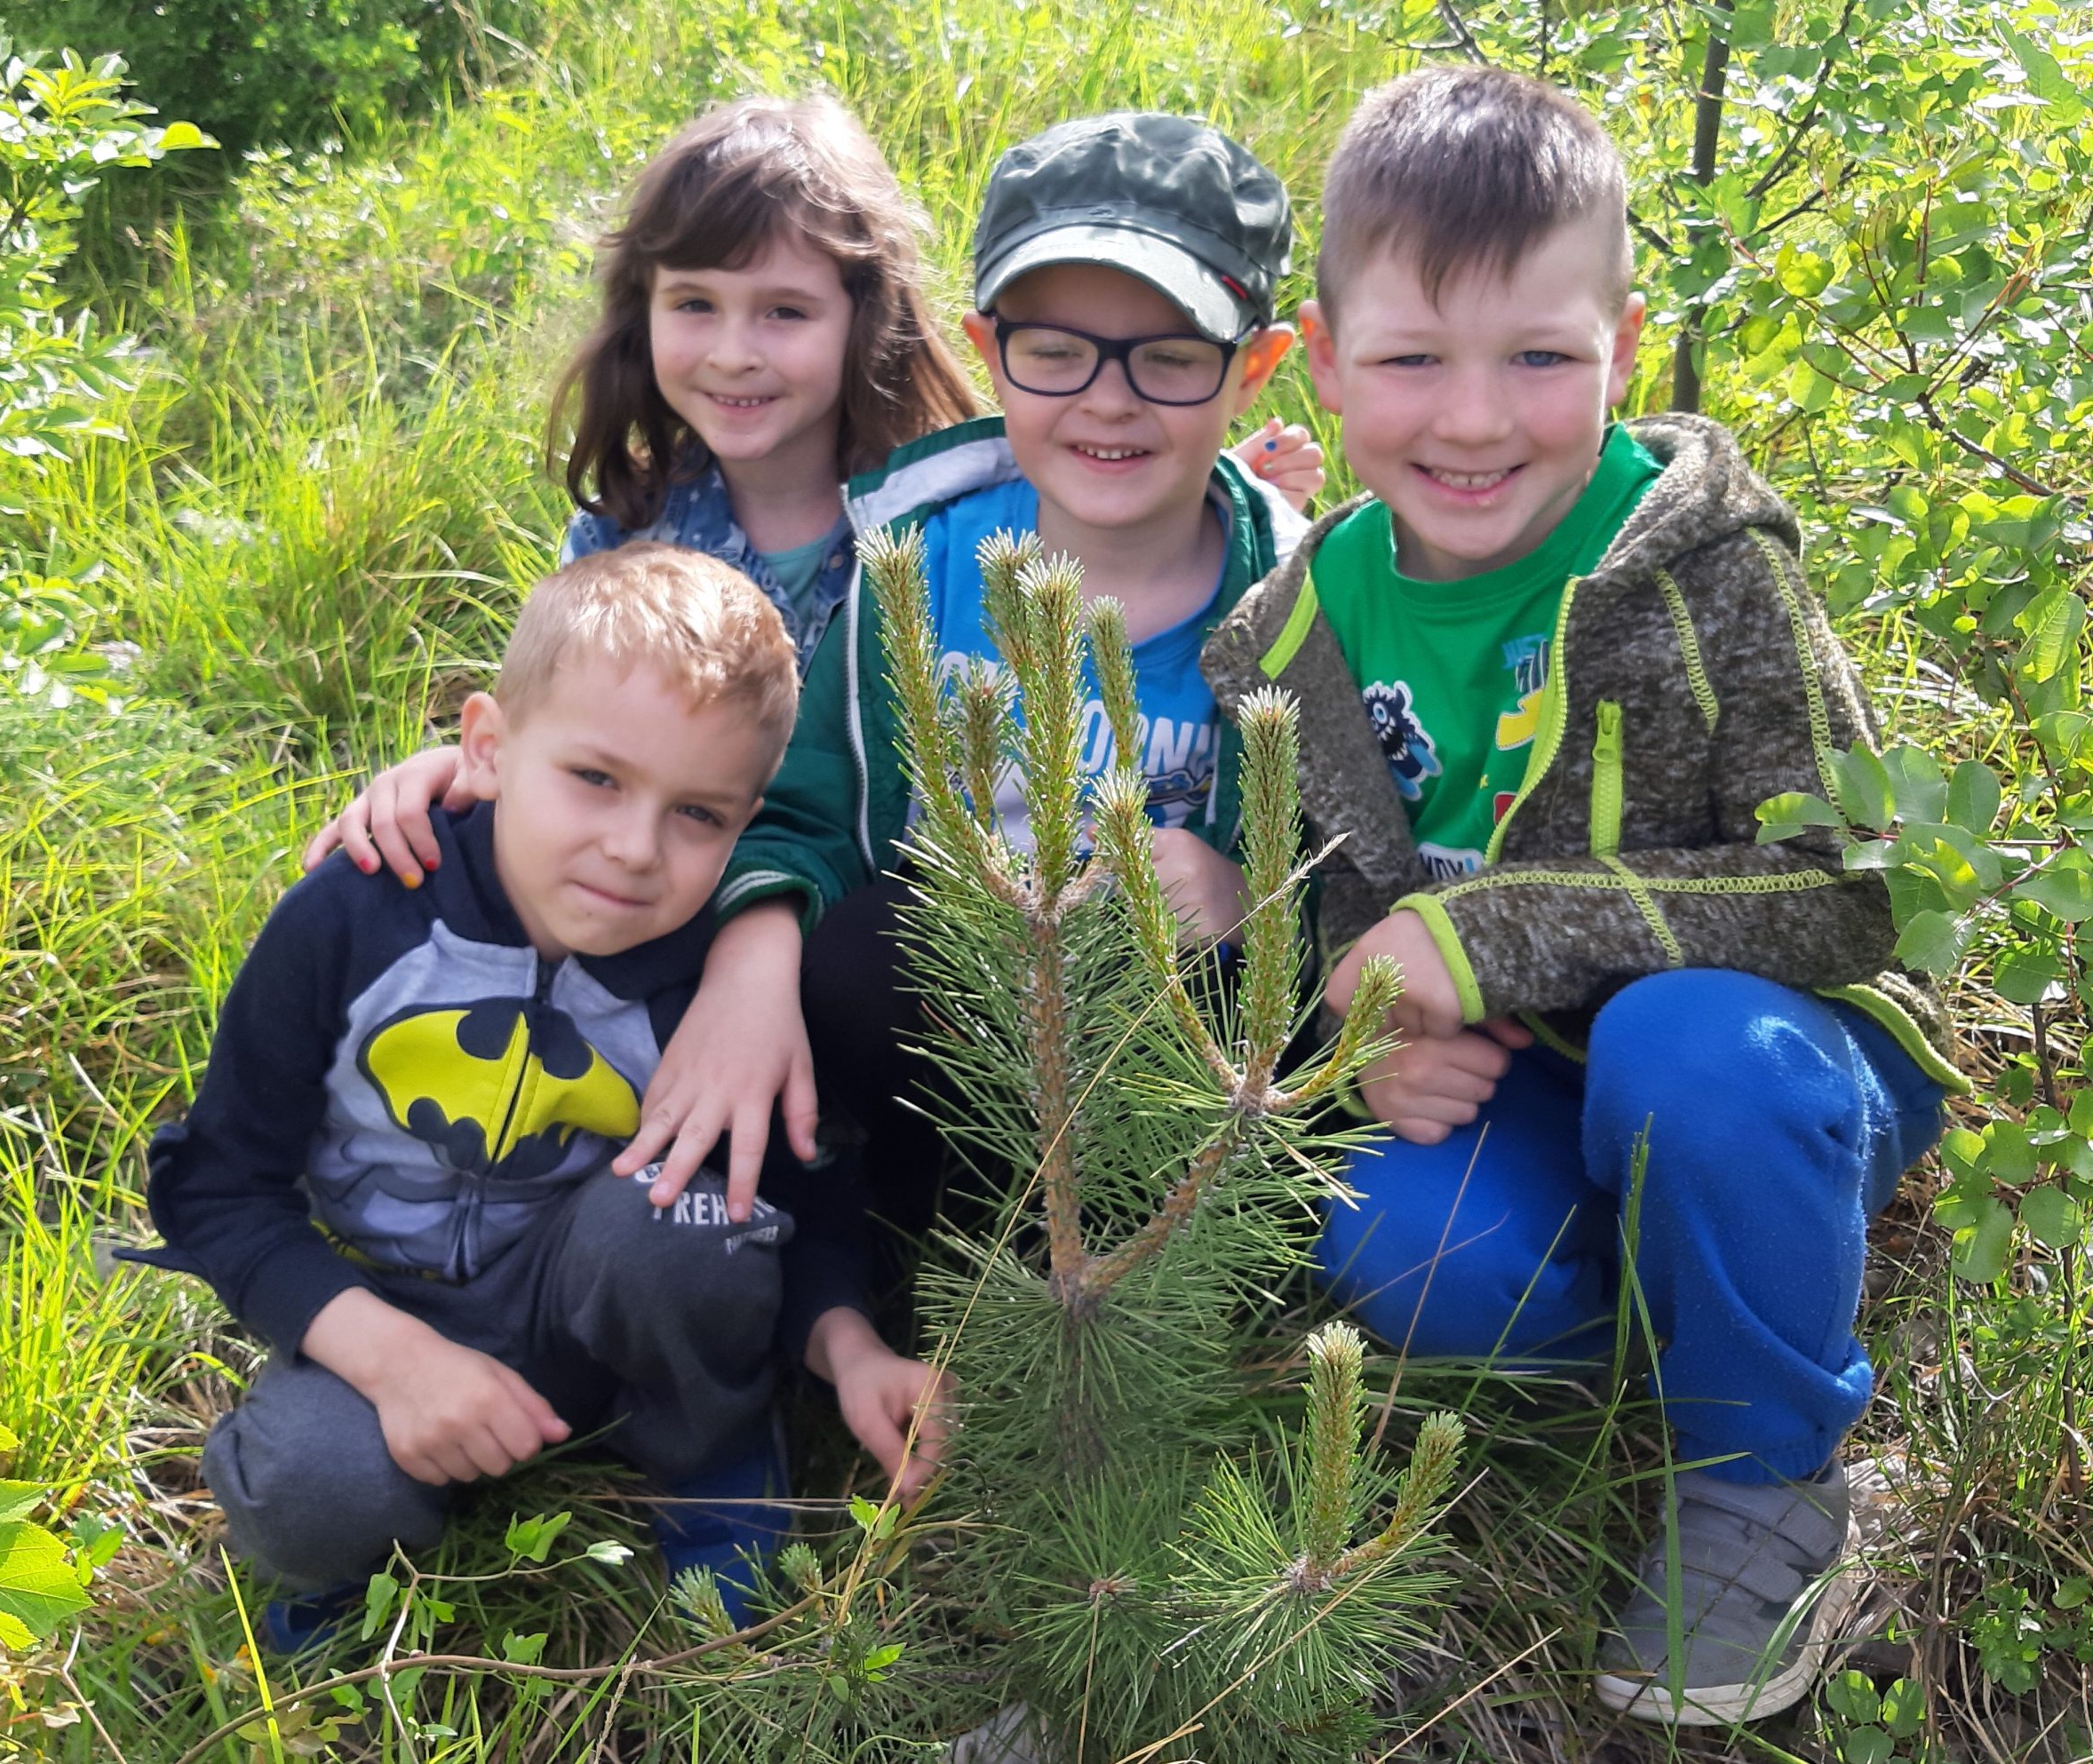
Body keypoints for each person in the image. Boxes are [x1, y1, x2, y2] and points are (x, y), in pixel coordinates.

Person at [1197, 67, 1963, 1728]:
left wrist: (1483, 934)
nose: (1475, 422)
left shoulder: (1706, 567)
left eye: (1540, 358)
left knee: (1691, 1055)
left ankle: (1763, 1467)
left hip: (1767, 1053)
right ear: (1323, 362)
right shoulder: (1290, 630)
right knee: (1403, 1251)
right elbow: (1320, 901)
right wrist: (1364, 1023)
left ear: (1622, 341)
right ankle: (1704, 1311)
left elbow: (1854, 892)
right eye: (1413, 360)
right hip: (1531, 1087)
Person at [132, 545, 942, 1649]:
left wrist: (848, 1347)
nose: (634, 849)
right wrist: (391, 1359)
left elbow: (799, 1190)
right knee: (307, 1491)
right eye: (595, 779)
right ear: (487, 747)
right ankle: (361, 1542)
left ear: (746, 822)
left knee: (677, 1226)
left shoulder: (722, 981)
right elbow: (217, 1188)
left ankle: (707, 1454)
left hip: (596, 1295)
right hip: (380, 1311)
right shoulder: (350, 916)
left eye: (698, 814)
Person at [307, 92, 1327, 889]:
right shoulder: (629, 529)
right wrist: (461, 769)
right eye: (694, 304)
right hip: (659, 880)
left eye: (784, 312)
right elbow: (557, 733)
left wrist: (1239, 479)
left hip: (855, 911)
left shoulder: (928, 519)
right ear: (640, 313)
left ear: (865, 320)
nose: (734, 352)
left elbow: (1115, 470)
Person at [619, 110, 1315, 1271]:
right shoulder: (922, 562)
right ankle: (910, 1244)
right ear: (987, 348)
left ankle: (1137, 1272)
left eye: (1170, 356)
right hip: (939, 1034)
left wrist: (1246, 895)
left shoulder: (1299, 602)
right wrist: (752, 954)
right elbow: (808, 809)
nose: (1108, 400)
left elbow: (1354, 869)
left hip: (1171, 1068)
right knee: (851, 947)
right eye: (1055, 350)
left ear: (1254, 367)